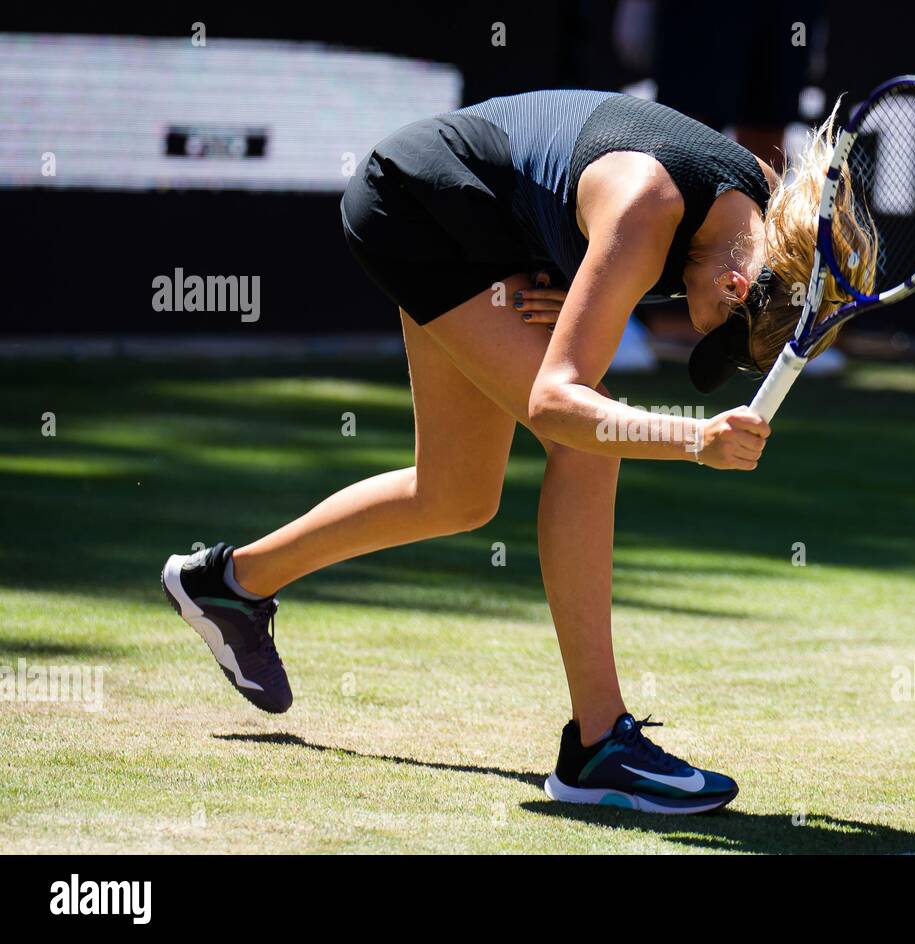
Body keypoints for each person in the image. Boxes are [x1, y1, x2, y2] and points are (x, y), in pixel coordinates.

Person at [160, 89, 871, 814]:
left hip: (484, 219)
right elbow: (556, 405)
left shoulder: (745, 212)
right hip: (421, 205)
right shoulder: (647, 208)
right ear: (734, 283)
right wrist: (696, 439)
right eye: (717, 328)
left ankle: (227, 585)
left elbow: (595, 221)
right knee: (589, 442)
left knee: (457, 494)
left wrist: (589, 279)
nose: (698, 336)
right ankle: (598, 746)